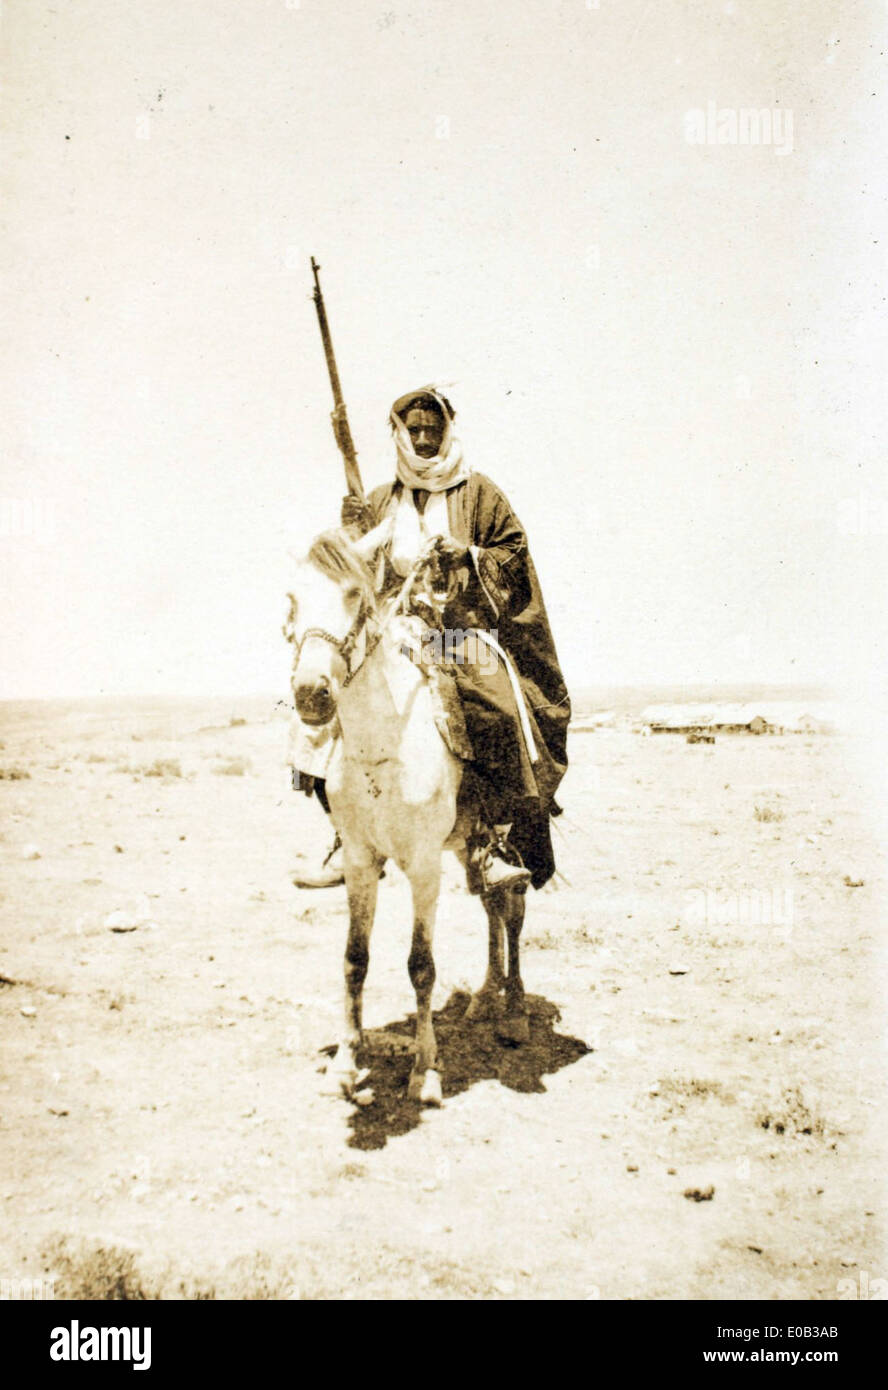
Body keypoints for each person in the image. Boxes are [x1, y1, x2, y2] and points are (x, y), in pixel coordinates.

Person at [291, 385, 570, 893]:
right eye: (412, 430)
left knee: (496, 699)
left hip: (457, 632)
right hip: (393, 632)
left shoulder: (478, 492)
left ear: (447, 431)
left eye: (431, 429)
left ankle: (492, 840)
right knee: (322, 704)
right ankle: (343, 834)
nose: (422, 439)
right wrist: (353, 526)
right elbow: (353, 571)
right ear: (399, 435)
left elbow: (513, 551)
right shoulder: (379, 500)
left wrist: (467, 554)